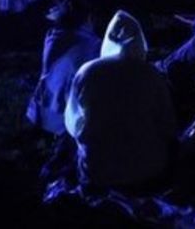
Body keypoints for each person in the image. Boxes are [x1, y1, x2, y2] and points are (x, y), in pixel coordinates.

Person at [64, 10, 177, 189]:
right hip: (149, 168)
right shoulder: (151, 74)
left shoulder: (87, 72)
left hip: (98, 170)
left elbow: (72, 122)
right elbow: (167, 124)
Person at [26, 0, 101, 135]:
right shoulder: (94, 46)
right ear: (90, 18)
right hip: (62, 122)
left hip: (38, 111)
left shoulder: (53, 36)